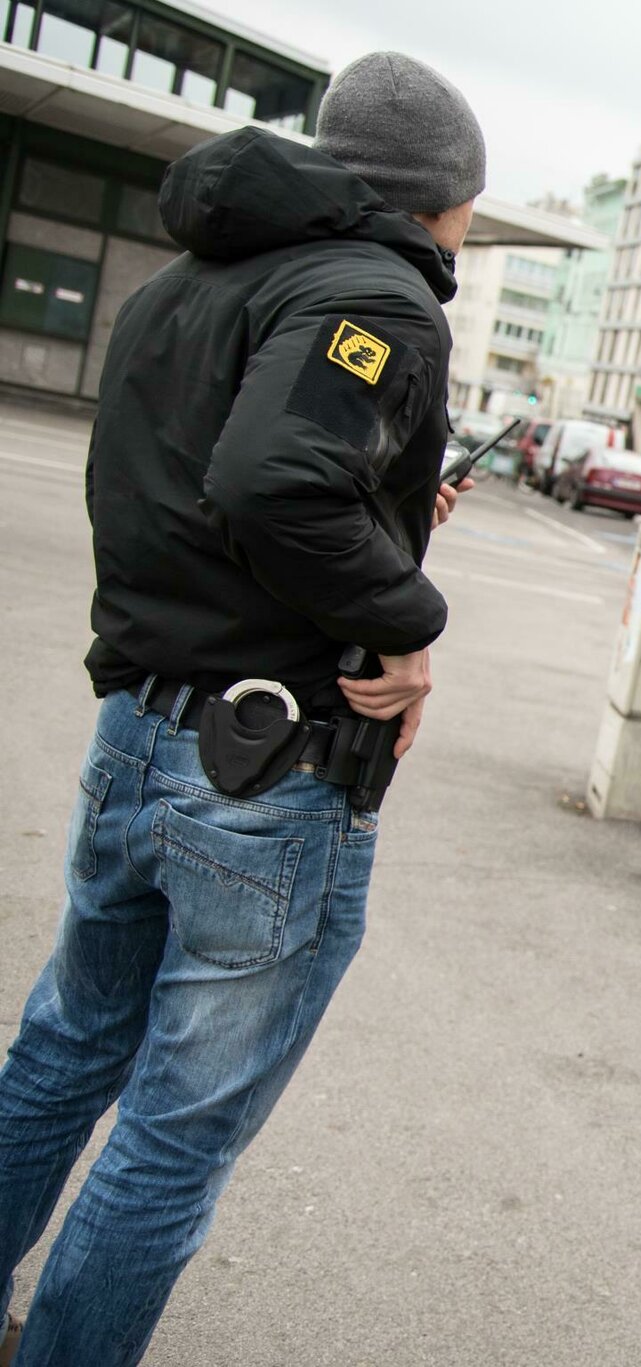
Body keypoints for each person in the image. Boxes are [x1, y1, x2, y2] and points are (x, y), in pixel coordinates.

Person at [0, 53, 485, 1367]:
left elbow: (192, 487)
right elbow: (270, 482)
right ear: (446, 192)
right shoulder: (376, 292)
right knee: (174, 1134)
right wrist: (408, 621)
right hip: (263, 773)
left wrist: (392, 516)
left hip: (138, 730)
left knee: (63, 1049)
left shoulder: (190, 281)